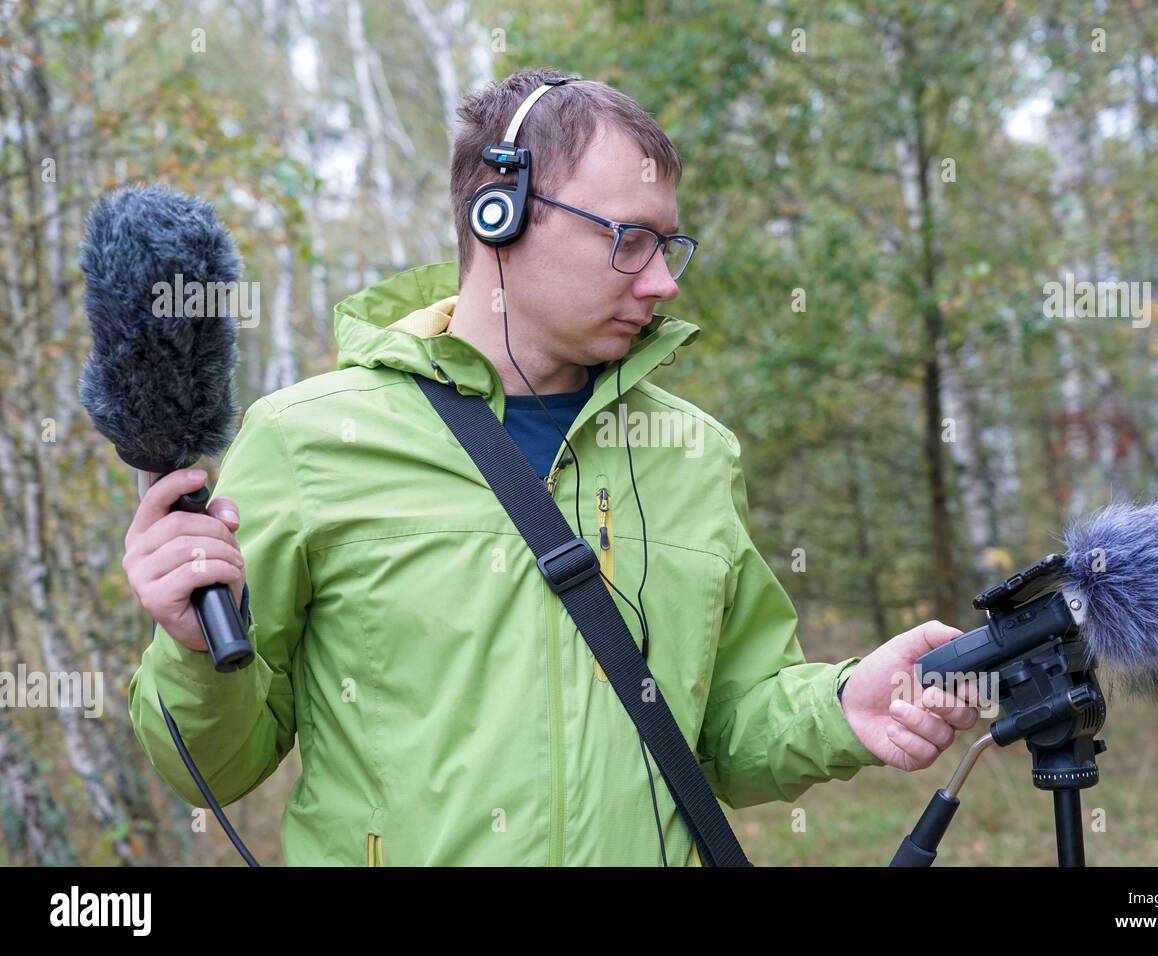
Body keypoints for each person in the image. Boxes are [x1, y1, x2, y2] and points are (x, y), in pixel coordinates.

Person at [124, 68, 979, 866]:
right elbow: (220, 767)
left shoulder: (697, 453)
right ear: (501, 213)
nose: (663, 285)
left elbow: (719, 728)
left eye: (668, 247)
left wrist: (840, 707)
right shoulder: (306, 439)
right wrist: (194, 653)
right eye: (630, 241)